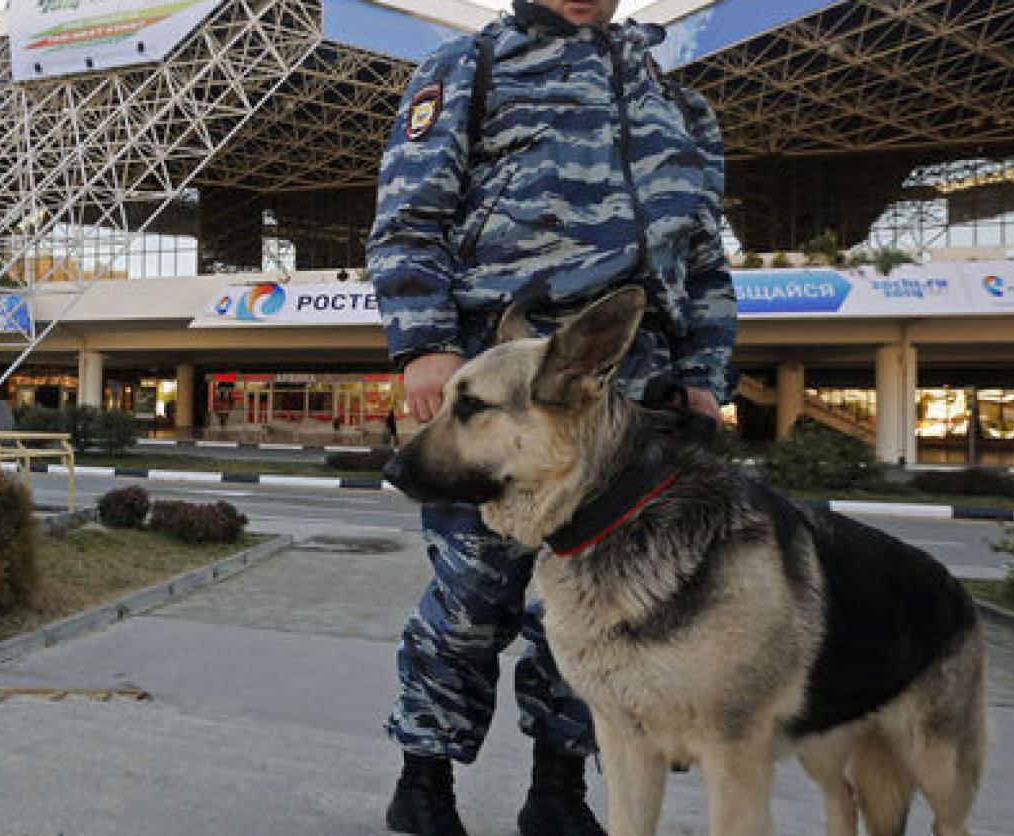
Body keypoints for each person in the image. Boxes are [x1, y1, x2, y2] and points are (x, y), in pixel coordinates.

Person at [367, 1, 737, 834]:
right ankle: (423, 783)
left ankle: (557, 791)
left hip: (630, 402)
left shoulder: (678, 105)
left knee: (598, 608)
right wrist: (425, 344)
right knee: (470, 600)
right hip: (502, 382)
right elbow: (410, 215)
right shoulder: (471, 67)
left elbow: (704, 256)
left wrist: (703, 374)